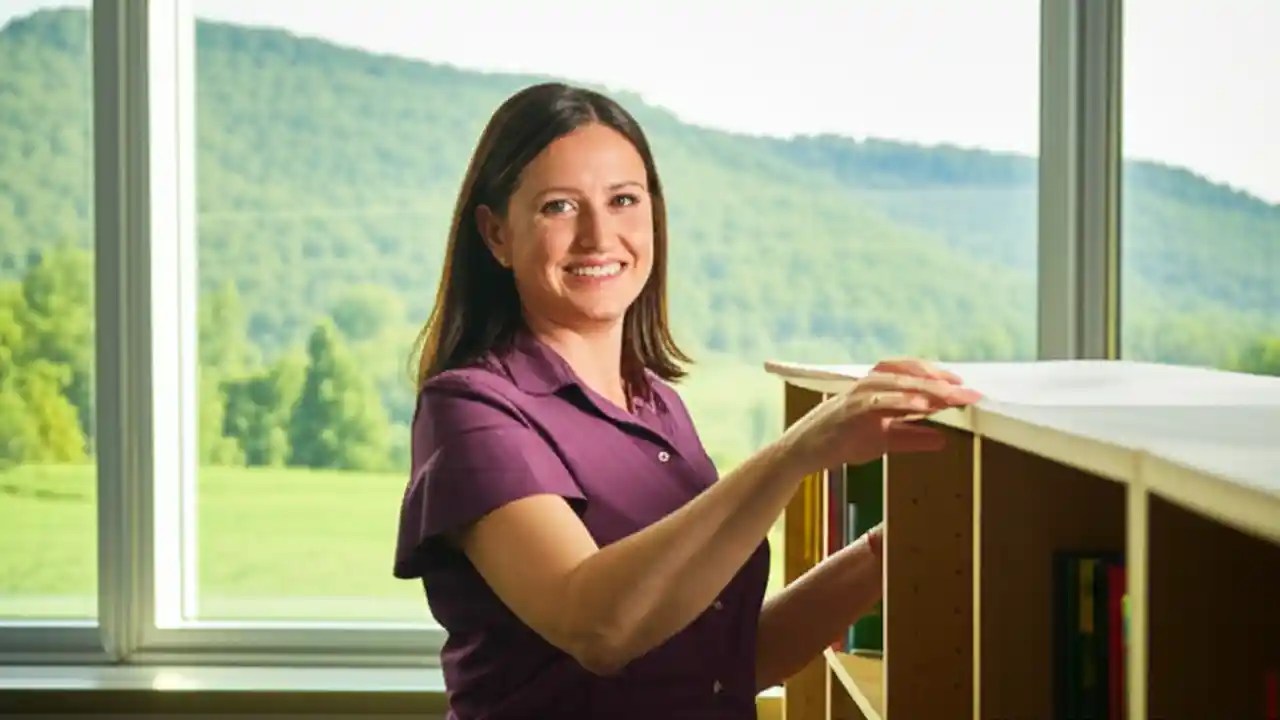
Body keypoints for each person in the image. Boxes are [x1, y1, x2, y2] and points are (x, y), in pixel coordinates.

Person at [393, 81, 982, 719]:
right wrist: (797, 452)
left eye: (623, 200)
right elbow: (598, 629)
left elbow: (724, 666)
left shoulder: (656, 406)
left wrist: (886, 554)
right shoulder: (470, 411)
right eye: (560, 207)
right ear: (496, 234)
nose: (598, 235)